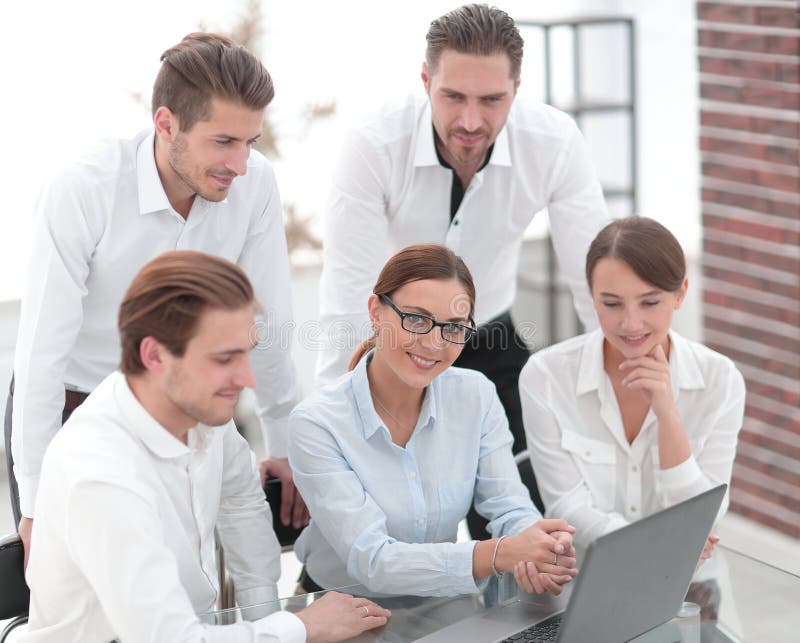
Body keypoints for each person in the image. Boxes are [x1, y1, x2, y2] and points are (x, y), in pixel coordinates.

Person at [9, 33, 305, 563]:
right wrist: (35, 501)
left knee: (180, 583)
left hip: (181, 411)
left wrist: (283, 443)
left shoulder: (255, 186)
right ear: (166, 124)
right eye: (223, 142)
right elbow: (40, 355)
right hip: (74, 410)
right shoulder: (83, 189)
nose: (240, 164)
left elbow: (270, 322)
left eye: (250, 143)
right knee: (79, 598)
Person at [20, 251, 390, 643]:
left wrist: (268, 617)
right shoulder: (101, 471)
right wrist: (300, 627)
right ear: (154, 355)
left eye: (246, 353)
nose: (246, 378)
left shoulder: (201, 412)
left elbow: (243, 504)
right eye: (224, 358)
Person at [315, 4, 610, 466]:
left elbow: (597, 280)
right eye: (453, 97)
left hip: (492, 339)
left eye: (492, 100)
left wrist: (626, 396)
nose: (471, 122)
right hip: (398, 348)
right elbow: (347, 292)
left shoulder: (554, 143)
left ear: (516, 89)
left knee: (526, 516)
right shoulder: (374, 144)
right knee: (393, 508)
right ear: (425, 81)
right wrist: (331, 431)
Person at [289, 244, 578, 598]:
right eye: (416, 319)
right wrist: (502, 553)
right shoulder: (317, 422)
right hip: (336, 606)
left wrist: (541, 546)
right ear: (376, 312)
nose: (434, 343)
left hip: (438, 604)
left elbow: (508, 503)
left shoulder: (476, 396)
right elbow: (374, 561)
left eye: (453, 327)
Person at [520, 217, 745, 556]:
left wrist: (667, 414)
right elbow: (566, 505)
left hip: (686, 584)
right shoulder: (546, 376)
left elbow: (706, 517)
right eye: (612, 304)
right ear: (592, 298)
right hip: (581, 579)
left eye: (650, 302)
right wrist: (653, 547)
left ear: (680, 293)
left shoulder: (720, 381)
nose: (631, 323)